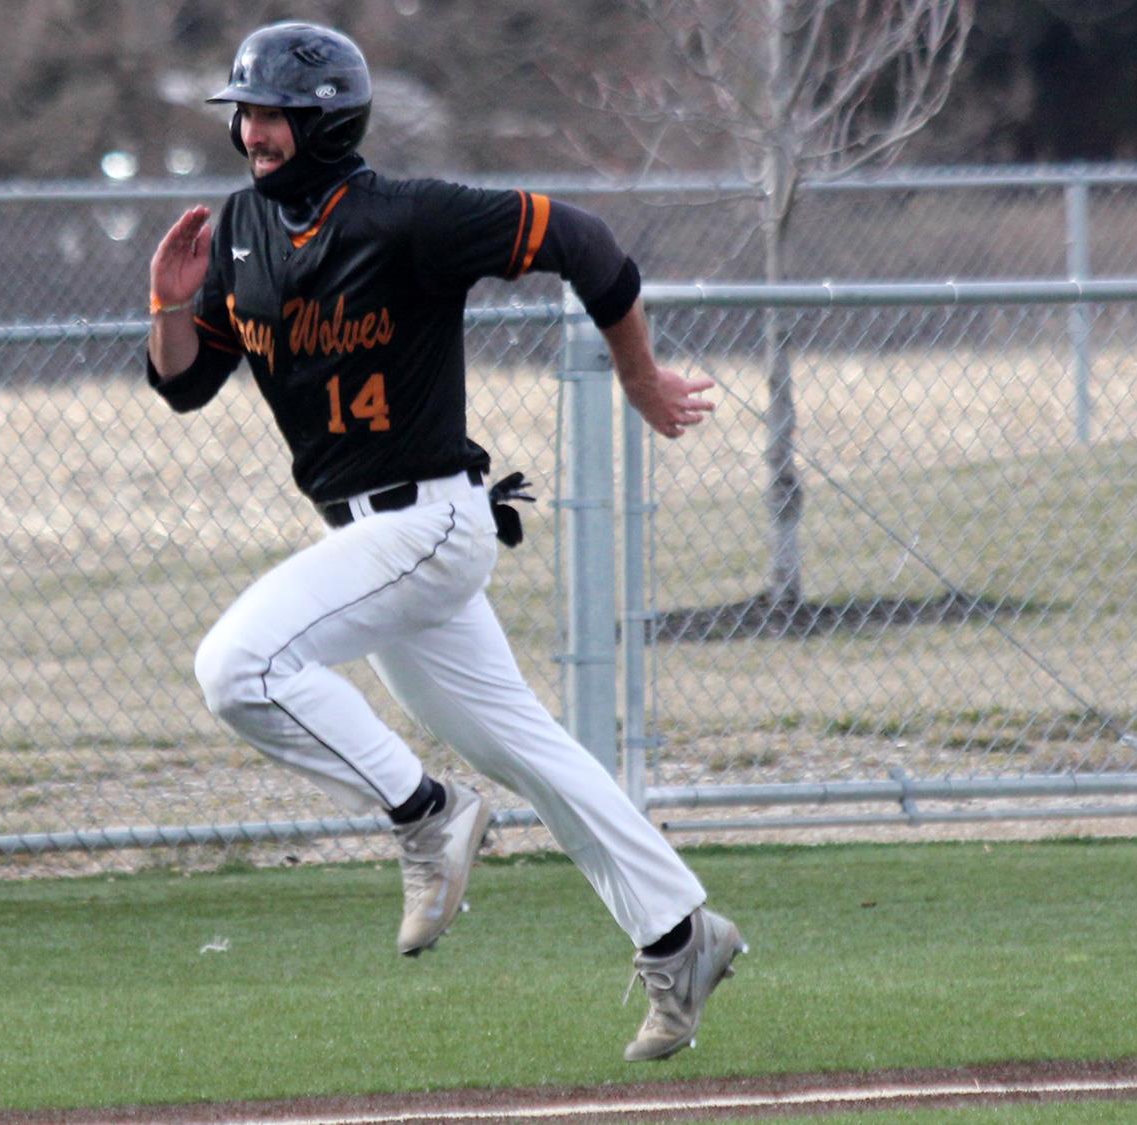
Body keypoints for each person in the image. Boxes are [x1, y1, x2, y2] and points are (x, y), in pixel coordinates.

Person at [144, 21, 741, 1062]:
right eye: (242, 111)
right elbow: (186, 384)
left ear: (327, 118)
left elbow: (584, 241)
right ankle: (679, 934)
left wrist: (638, 378)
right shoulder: (239, 230)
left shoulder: (407, 217)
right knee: (524, 748)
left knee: (237, 667)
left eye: (271, 111)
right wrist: (166, 300)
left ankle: (422, 815)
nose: (250, 130)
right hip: (371, 540)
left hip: (428, 521)